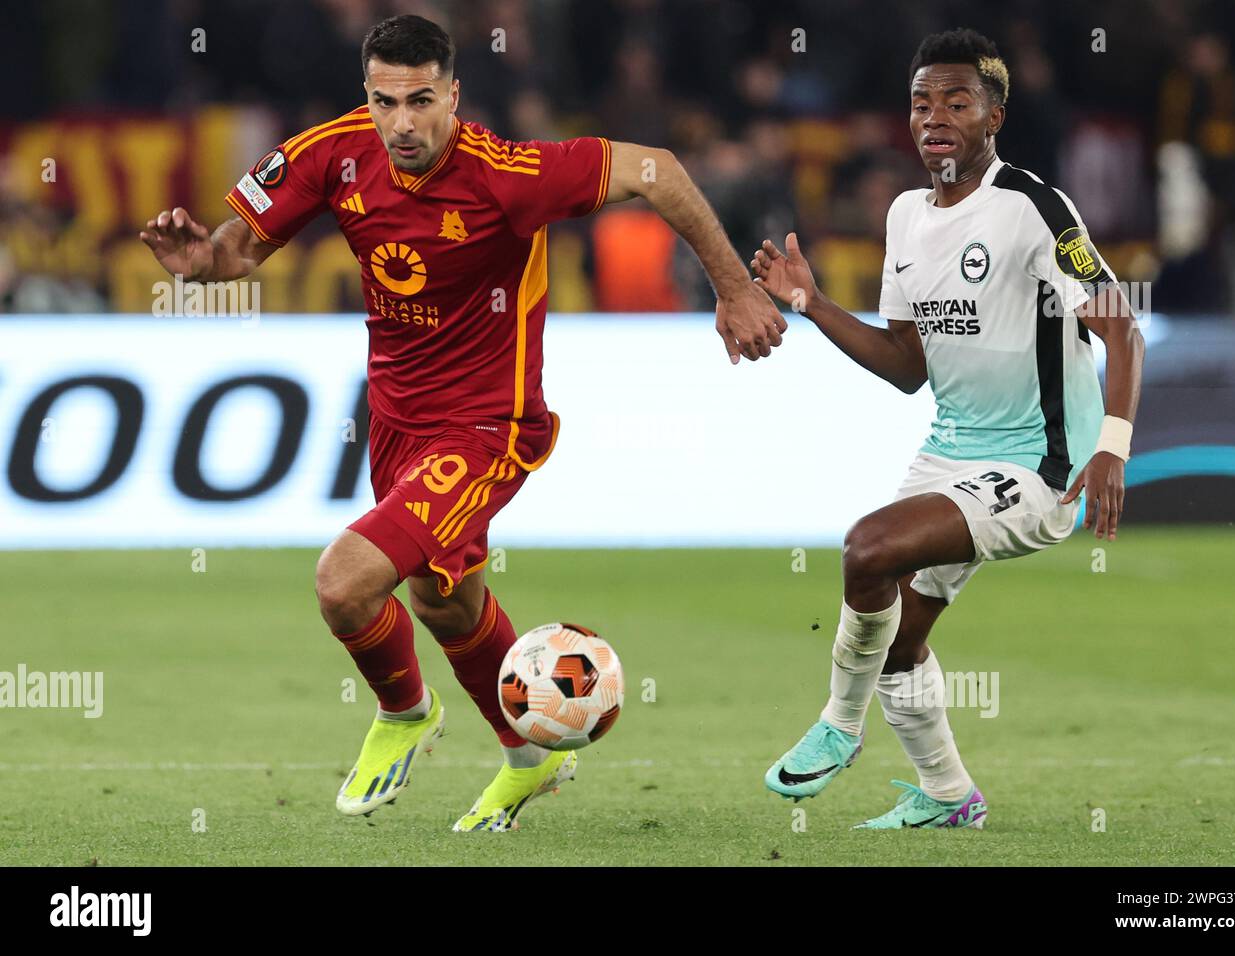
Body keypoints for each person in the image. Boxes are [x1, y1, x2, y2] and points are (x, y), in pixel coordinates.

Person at [141, 14, 784, 832]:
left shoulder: (505, 175)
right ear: (366, 97)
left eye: (420, 101)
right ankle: (530, 758)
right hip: (395, 423)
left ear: (453, 95)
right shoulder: (331, 153)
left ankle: (405, 712)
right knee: (443, 601)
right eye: (385, 102)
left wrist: (734, 289)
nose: (402, 123)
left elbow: (657, 170)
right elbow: (236, 251)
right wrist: (199, 263)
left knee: (344, 584)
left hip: (486, 428)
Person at [751, 28, 1144, 829]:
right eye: (922, 102)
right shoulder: (904, 216)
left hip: (1040, 464)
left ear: (993, 116)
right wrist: (812, 304)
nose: (935, 117)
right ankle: (947, 795)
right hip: (949, 452)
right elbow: (906, 365)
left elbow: (1122, 328)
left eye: (957, 102)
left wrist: (1112, 447)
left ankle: (840, 723)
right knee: (896, 636)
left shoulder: (1034, 208)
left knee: (868, 548)